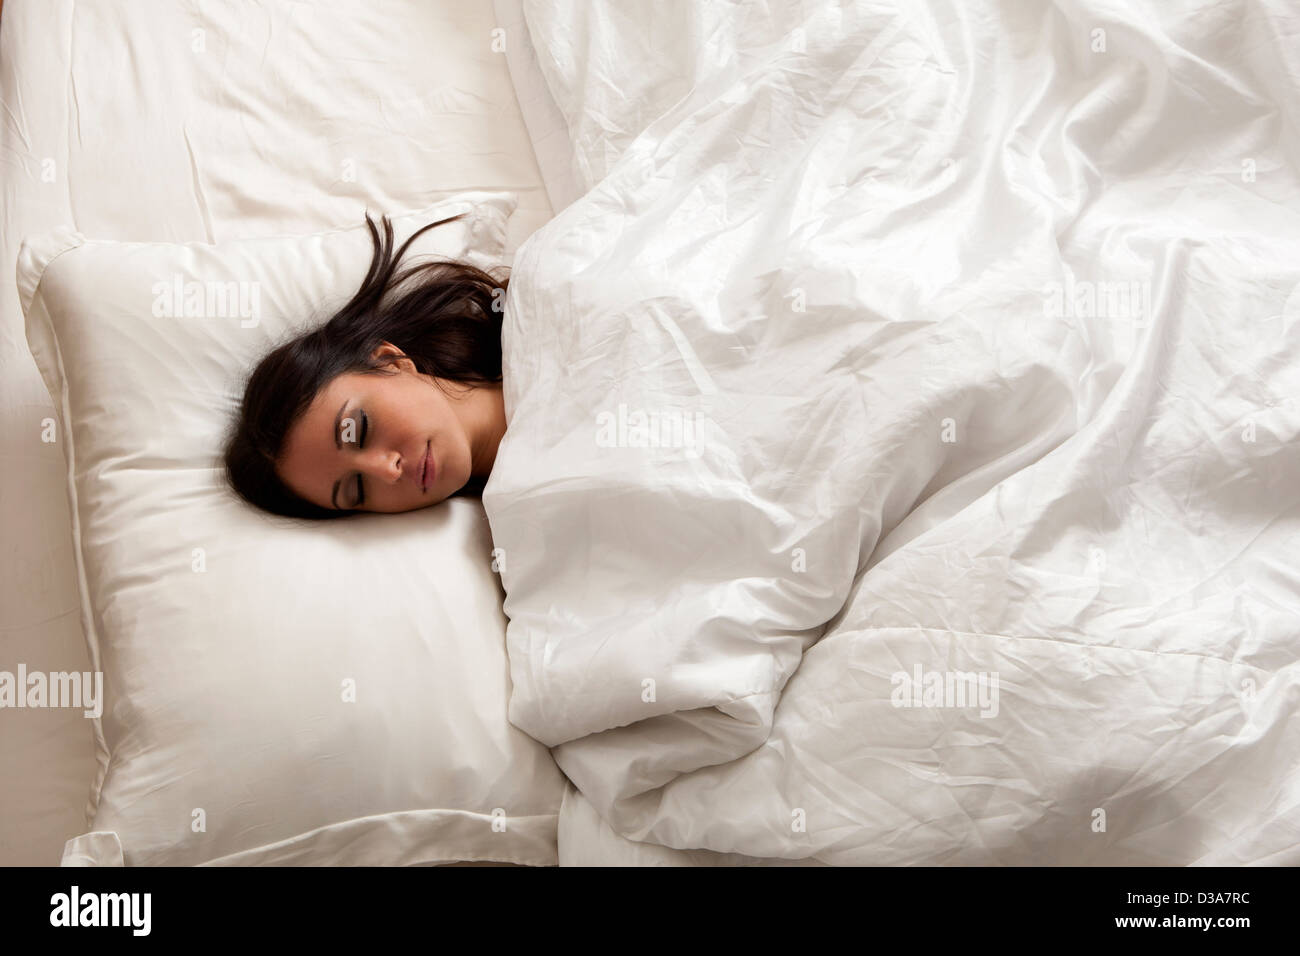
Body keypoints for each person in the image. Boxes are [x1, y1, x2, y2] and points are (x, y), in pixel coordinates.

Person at [223, 211, 508, 518]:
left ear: (390, 361)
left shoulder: (540, 300)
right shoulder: (522, 528)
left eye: (360, 431)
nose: (387, 471)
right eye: (357, 488)